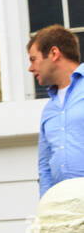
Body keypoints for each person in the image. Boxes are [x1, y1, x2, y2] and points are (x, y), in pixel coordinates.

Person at [30, 26, 84, 198]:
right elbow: (45, 167)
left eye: (33, 59)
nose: (30, 68)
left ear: (54, 53)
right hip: (64, 208)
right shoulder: (49, 110)